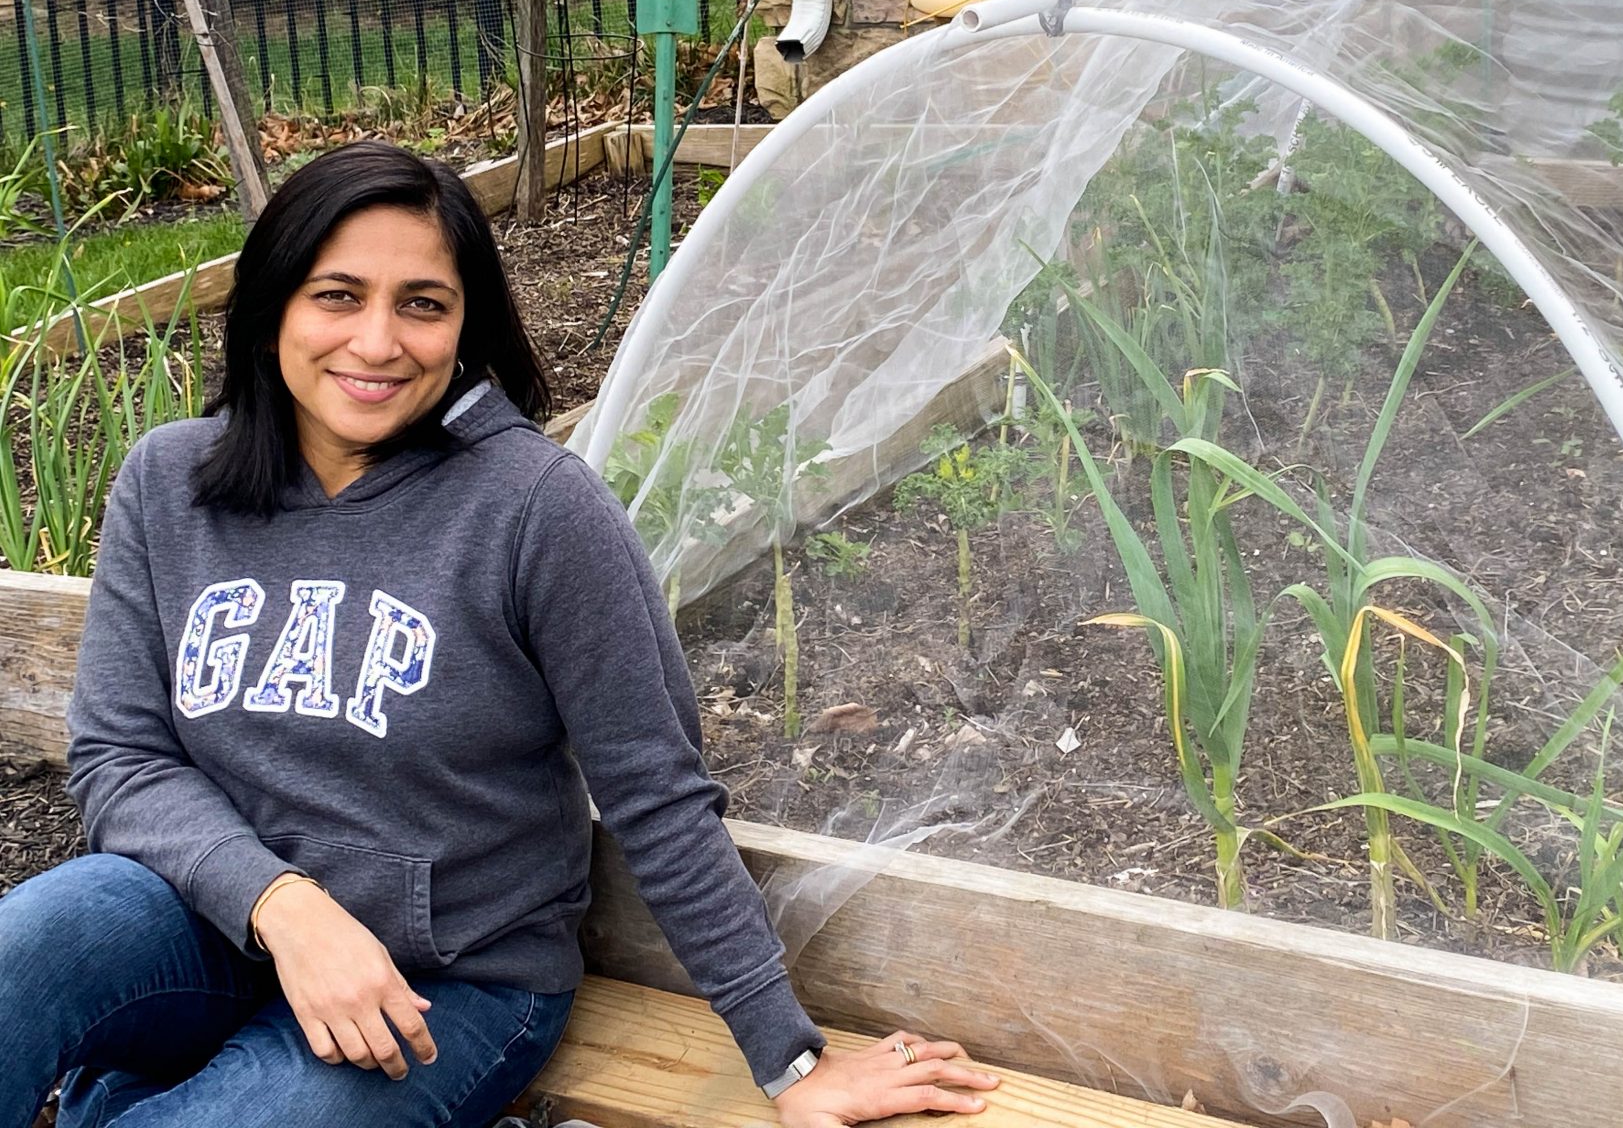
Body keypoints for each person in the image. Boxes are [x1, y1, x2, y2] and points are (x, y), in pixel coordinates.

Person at [0, 142, 1001, 1128]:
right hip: (220, 923)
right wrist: (286, 908)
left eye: (422, 304)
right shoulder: (169, 482)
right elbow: (121, 757)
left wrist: (790, 1061)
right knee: (34, 940)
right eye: (337, 295)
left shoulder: (535, 509)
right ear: (273, 309)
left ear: (467, 324)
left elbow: (654, 791)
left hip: (453, 984)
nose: (379, 342)